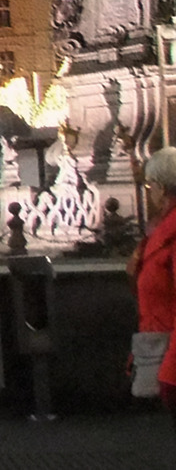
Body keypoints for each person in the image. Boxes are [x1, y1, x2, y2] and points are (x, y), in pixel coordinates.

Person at [130, 146, 176, 421]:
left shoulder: (170, 235)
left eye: (150, 185)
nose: (149, 192)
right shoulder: (163, 231)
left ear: (160, 187)